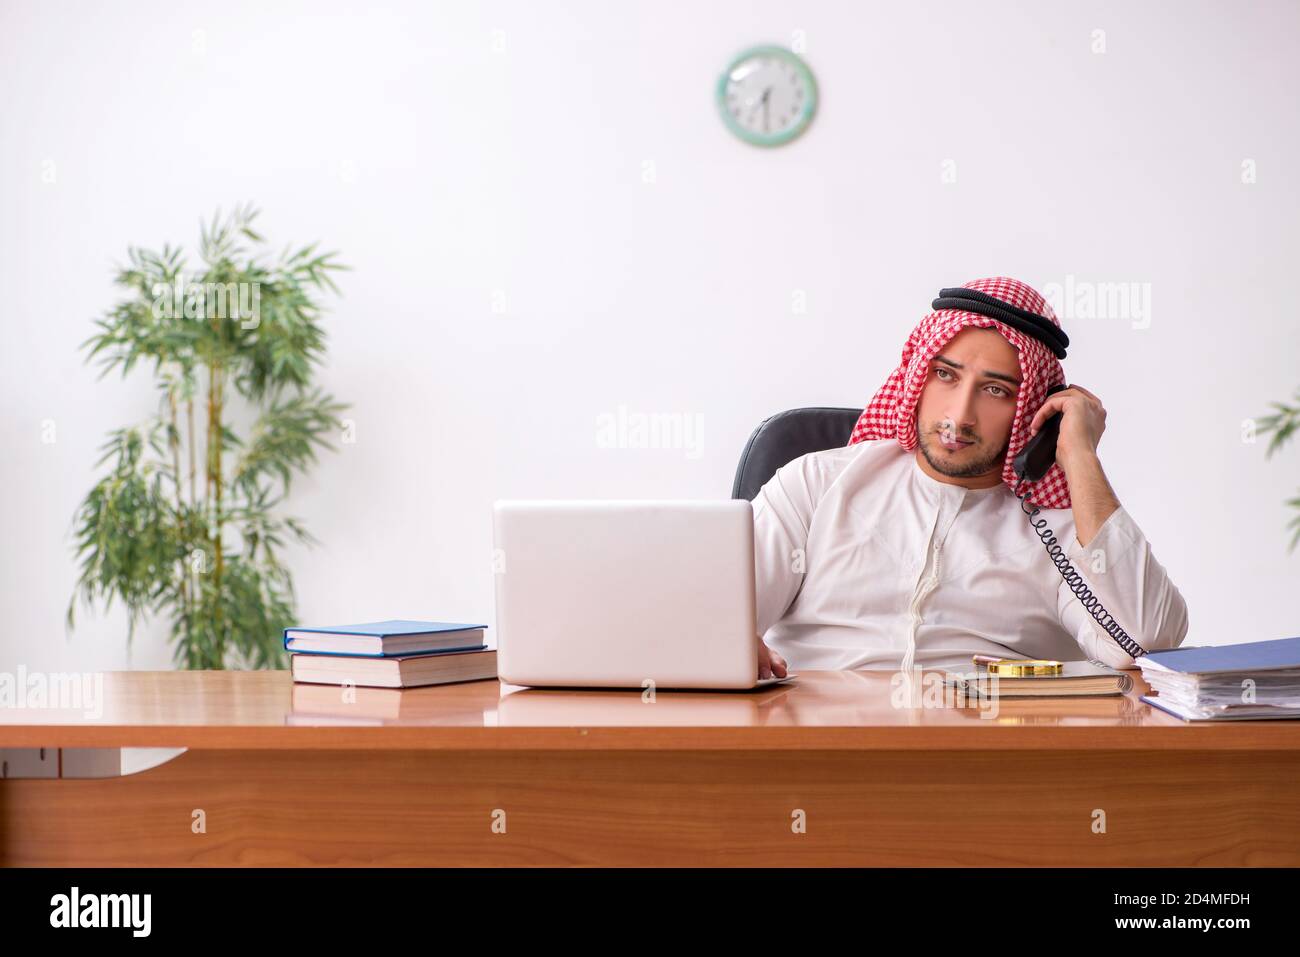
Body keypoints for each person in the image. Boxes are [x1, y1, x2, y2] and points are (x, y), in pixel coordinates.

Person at [753, 277, 1189, 678]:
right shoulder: (814, 485)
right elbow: (712, 619)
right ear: (916, 379)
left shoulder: (1061, 532)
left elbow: (1145, 639)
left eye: (995, 390)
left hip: (985, 750)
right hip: (816, 742)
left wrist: (1080, 457)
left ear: (1037, 410)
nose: (958, 417)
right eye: (945, 375)